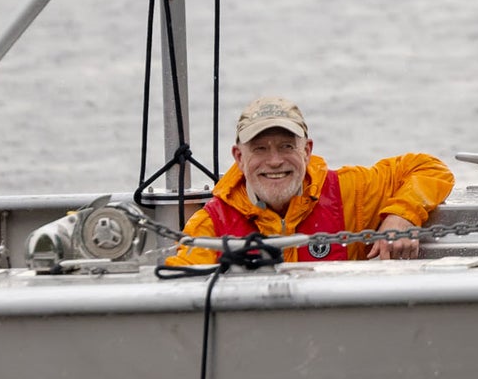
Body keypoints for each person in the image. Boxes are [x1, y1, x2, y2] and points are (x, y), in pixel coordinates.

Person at [165, 96, 454, 266]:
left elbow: (430, 168)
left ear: (307, 151)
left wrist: (401, 216)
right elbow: (180, 288)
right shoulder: (211, 225)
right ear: (239, 157)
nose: (275, 160)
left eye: (287, 146)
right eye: (260, 149)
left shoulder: (348, 191)